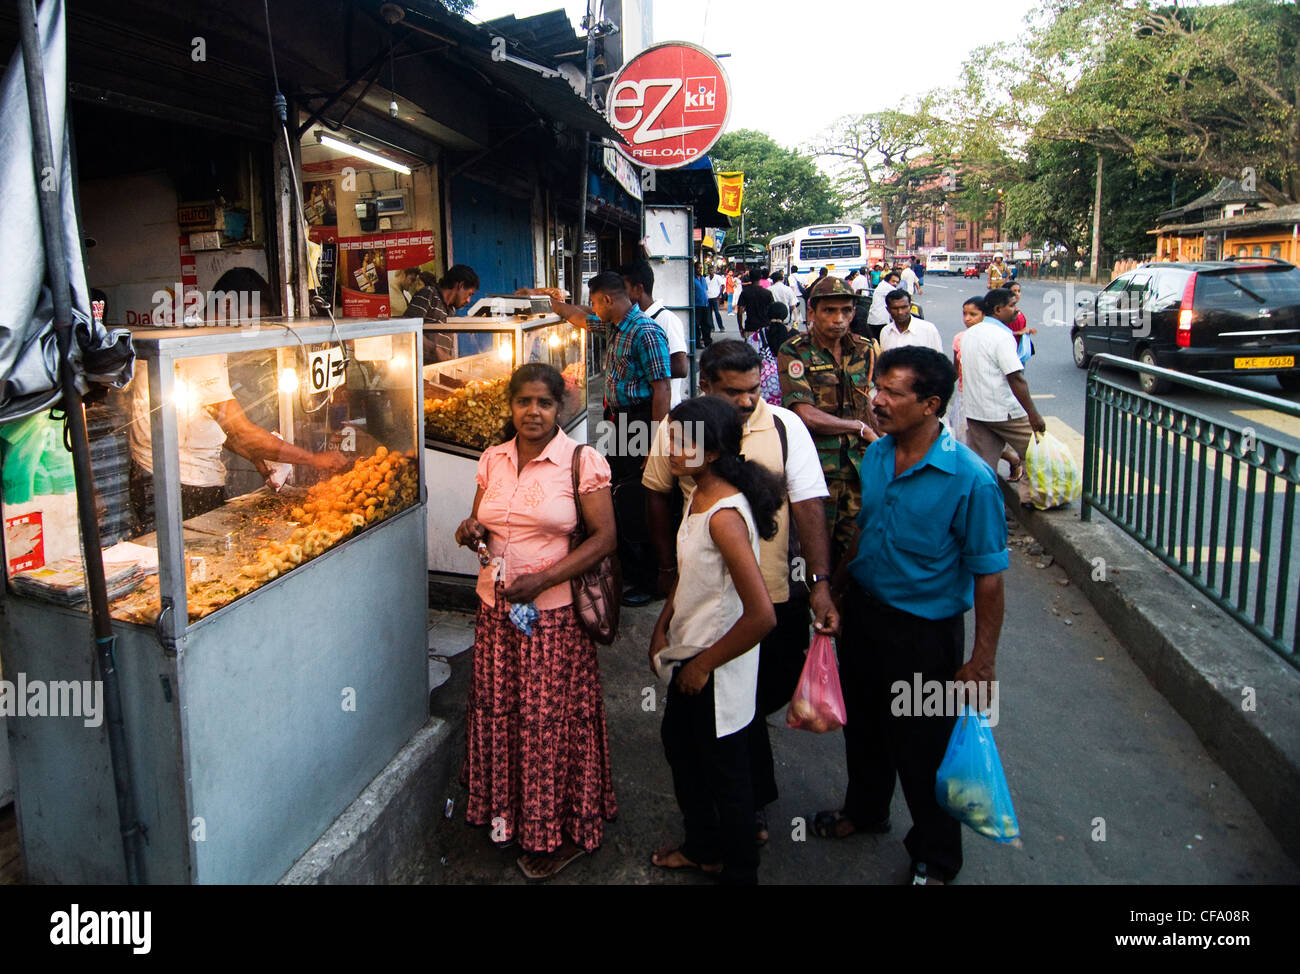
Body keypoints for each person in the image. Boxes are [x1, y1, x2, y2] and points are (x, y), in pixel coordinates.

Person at [815, 346, 1009, 887]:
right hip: (866, 618)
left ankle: (935, 858)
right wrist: (832, 592)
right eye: (878, 389)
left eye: (892, 393)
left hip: (925, 635)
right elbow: (864, 534)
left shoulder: (970, 479)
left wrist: (982, 660)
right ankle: (867, 811)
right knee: (866, 730)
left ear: (931, 404)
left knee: (924, 748)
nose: (876, 401)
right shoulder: (876, 456)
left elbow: (990, 576)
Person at [644, 340, 837, 845]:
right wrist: (667, 570)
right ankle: (738, 813)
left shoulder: (784, 427)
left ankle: (734, 819)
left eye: (754, 389)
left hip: (771, 599)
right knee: (719, 717)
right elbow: (655, 494)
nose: (748, 401)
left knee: (747, 707)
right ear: (706, 384)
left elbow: (811, 505)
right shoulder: (682, 430)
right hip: (705, 608)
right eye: (734, 392)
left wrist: (820, 585)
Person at [453, 363, 619, 881]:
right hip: (496, 614)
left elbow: (603, 539)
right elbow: (483, 521)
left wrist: (545, 579)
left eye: (544, 403)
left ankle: (560, 831)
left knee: (548, 724)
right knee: (501, 714)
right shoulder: (493, 458)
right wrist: (470, 530)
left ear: (560, 408)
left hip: (552, 622)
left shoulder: (580, 462)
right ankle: (509, 816)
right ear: (510, 406)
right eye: (523, 402)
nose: (533, 412)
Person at [648, 395, 781, 885]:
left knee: (726, 777)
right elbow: (691, 576)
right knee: (682, 750)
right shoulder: (696, 493)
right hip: (689, 653)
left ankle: (738, 867)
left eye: (679, 439)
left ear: (710, 452)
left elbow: (762, 615)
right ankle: (703, 847)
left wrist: (704, 666)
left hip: (716, 668)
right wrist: (663, 626)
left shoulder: (723, 514)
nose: (669, 445)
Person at [552, 272, 672, 605]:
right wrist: (557, 307)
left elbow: (662, 387)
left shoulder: (645, 332)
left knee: (638, 497)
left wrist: (654, 441)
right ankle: (630, 569)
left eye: (595, 301)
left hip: (638, 421)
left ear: (608, 300)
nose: (593, 308)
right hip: (614, 420)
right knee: (616, 490)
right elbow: (582, 319)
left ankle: (650, 578)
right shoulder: (614, 326)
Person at [128, 355, 349, 534]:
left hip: (179, 477)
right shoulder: (201, 355)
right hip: (177, 484)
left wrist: (254, 455)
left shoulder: (204, 352)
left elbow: (214, 424)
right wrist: (313, 459)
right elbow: (242, 432)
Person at [777, 275, 880, 570]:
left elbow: (869, 403)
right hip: (816, 471)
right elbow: (804, 413)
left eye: (846, 311)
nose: (839, 319)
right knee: (811, 556)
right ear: (812, 312)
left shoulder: (864, 349)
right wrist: (858, 428)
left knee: (857, 557)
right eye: (830, 311)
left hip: (860, 469)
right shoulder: (794, 351)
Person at [961, 287, 1047, 506]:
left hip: (976, 409)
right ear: (998, 309)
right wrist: (1033, 414)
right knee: (1036, 451)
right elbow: (1015, 378)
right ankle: (1031, 497)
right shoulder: (1001, 336)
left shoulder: (970, 334)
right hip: (1003, 410)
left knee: (982, 467)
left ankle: (982, 510)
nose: (1016, 310)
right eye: (1011, 305)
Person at [622, 261, 689, 404]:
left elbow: (681, 368)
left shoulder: (666, 319)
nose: (619, 296)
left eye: (623, 289)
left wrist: (639, 367)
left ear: (639, 289)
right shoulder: (631, 320)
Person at [408, 264, 480, 362]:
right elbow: (408, 332)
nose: (468, 300)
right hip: (419, 372)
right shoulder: (428, 295)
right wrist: (435, 351)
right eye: (469, 294)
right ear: (460, 285)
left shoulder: (451, 311)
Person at [879, 289, 943, 353]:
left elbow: (939, 359)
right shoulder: (885, 332)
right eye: (895, 308)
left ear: (910, 306)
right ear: (888, 309)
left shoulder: (928, 330)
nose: (900, 312)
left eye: (904, 307)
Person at [735, 270, 774, 337]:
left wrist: (741, 328)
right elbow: (772, 310)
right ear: (760, 277)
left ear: (749, 278)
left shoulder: (745, 293)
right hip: (765, 326)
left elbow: (740, 312)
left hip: (750, 326)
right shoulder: (767, 293)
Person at [866, 269, 903, 335]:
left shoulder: (882, 285)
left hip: (875, 319)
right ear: (887, 280)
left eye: (897, 282)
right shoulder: (886, 287)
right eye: (893, 281)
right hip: (879, 321)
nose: (895, 284)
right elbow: (900, 295)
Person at [707, 267, 726, 333]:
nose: (710, 271)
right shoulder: (706, 278)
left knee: (717, 313)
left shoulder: (718, 277)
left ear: (714, 271)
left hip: (715, 297)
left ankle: (721, 327)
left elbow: (723, 286)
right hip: (708, 297)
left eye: (712, 270)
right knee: (709, 314)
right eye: (709, 270)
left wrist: (719, 295)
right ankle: (712, 327)